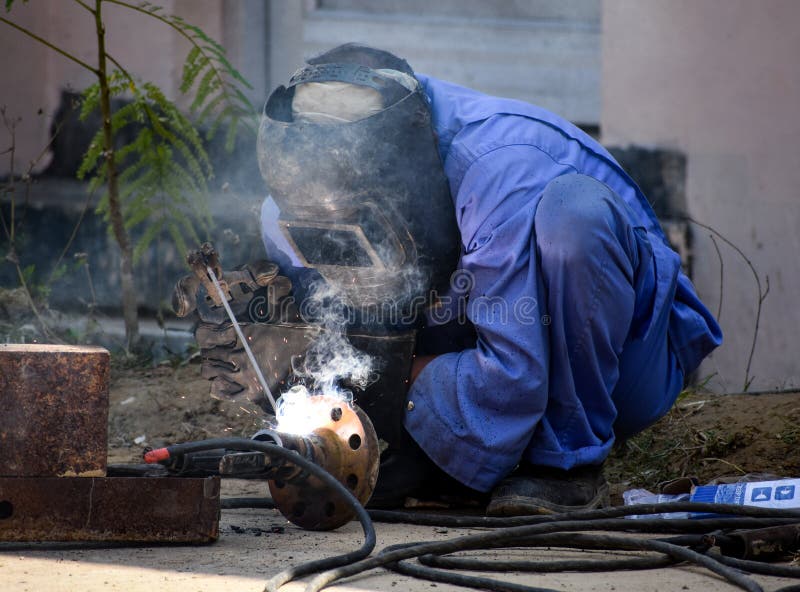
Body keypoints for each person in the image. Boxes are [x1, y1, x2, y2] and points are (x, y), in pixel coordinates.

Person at [236, 43, 721, 515]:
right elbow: (333, 349)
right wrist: (282, 360)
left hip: (622, 368)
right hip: (471, 343)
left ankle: (568, 465)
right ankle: (443, 456)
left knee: (574, 218)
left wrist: (385, 372)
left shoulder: (499, 165)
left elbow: (515, 375)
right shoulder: (288, 200)